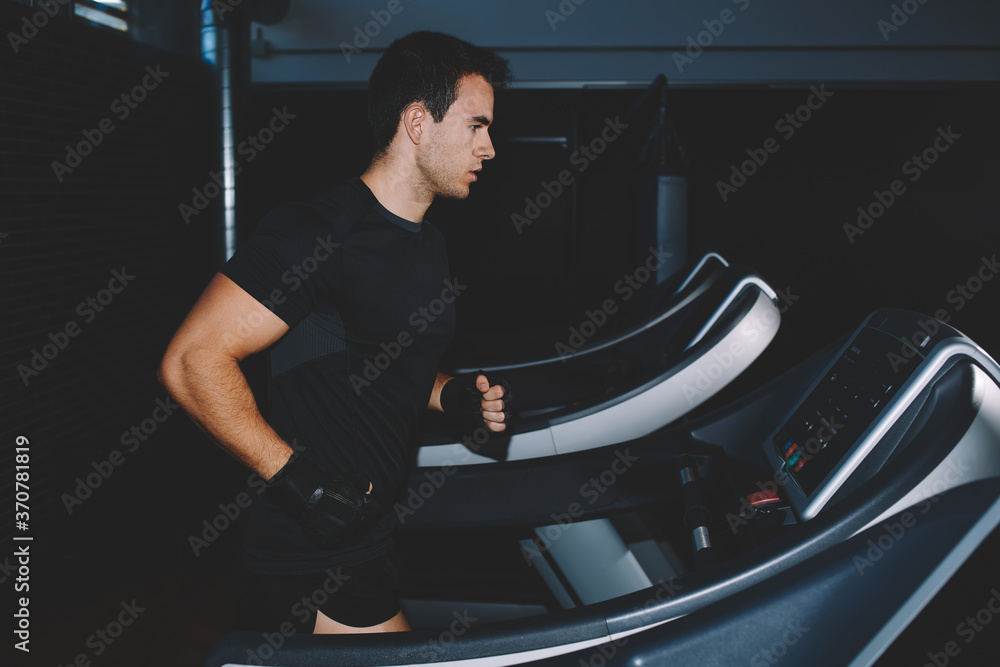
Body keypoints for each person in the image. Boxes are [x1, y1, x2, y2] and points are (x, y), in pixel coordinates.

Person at [159, 31, 513, 635]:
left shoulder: (429, 243)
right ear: (417, 122)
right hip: (310, 554)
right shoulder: (318, 232)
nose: (490, 148)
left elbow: (378, 358)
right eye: (476, 126)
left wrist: (451, 394)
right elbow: (192, 360)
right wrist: (305, 487)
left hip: (371, 536)